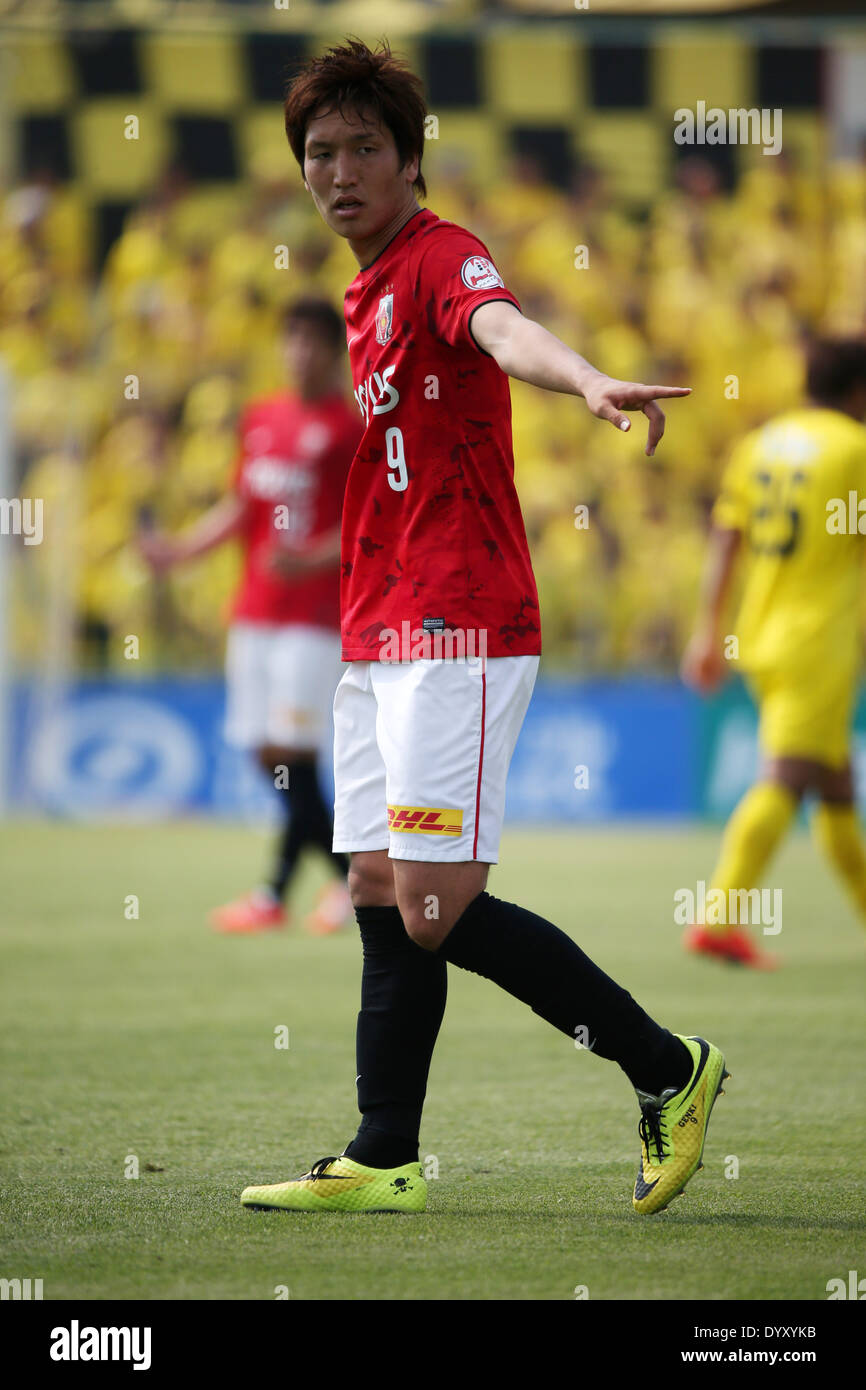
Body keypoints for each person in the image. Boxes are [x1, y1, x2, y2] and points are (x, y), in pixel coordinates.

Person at [240, 39, 727, 1217]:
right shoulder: (361, 291)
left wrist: (587, 378)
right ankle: (382, 1153)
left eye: (365, 148)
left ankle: (666, 1067)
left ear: (410, 160)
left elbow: (501, 326)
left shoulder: (438, 254)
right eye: (321, 152)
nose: (341, 170)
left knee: (432, 904)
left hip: (457, 621)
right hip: (378, 628)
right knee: (373, 884)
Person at [140, 296, 361, 935]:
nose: (299, 352)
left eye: (311, 341)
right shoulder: (262, 417)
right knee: (270, 754)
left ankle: (287, 892)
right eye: (291, 339)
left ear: (333, 352)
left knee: (295, 750)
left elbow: (366, 523)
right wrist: (180, 550)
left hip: (312, 618)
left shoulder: (349, 429)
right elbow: (243, 508)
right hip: (255, 610)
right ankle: (338, 882)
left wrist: (309, 558)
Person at [681, 337, 866, 968]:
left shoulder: (760, 444)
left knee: (835, 786)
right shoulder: (855, 450)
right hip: (820, 641)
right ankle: (717, 918)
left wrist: (708, 631)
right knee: (785, 776)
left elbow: (725, 541)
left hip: (762, 632)